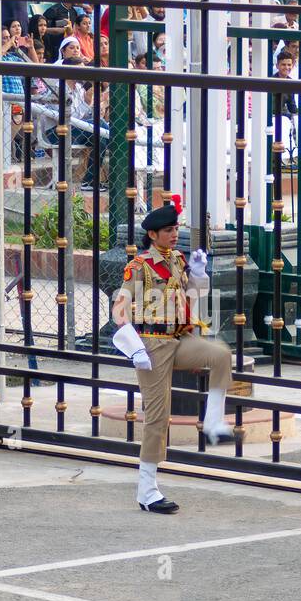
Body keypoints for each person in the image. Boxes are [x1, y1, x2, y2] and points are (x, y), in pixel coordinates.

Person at [111, 202, 235, 514]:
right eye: (168, 230)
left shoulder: (178, 260)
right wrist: (133, 346)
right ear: (152, 234)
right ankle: (147, 490)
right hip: (151, 346)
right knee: (158, 417)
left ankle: (213, 421)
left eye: (176, 229)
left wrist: (198, 274)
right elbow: (119, 309)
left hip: (179, 339)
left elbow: (195, 297)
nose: (173, 234)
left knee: (221, 355)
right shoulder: (139, 266)